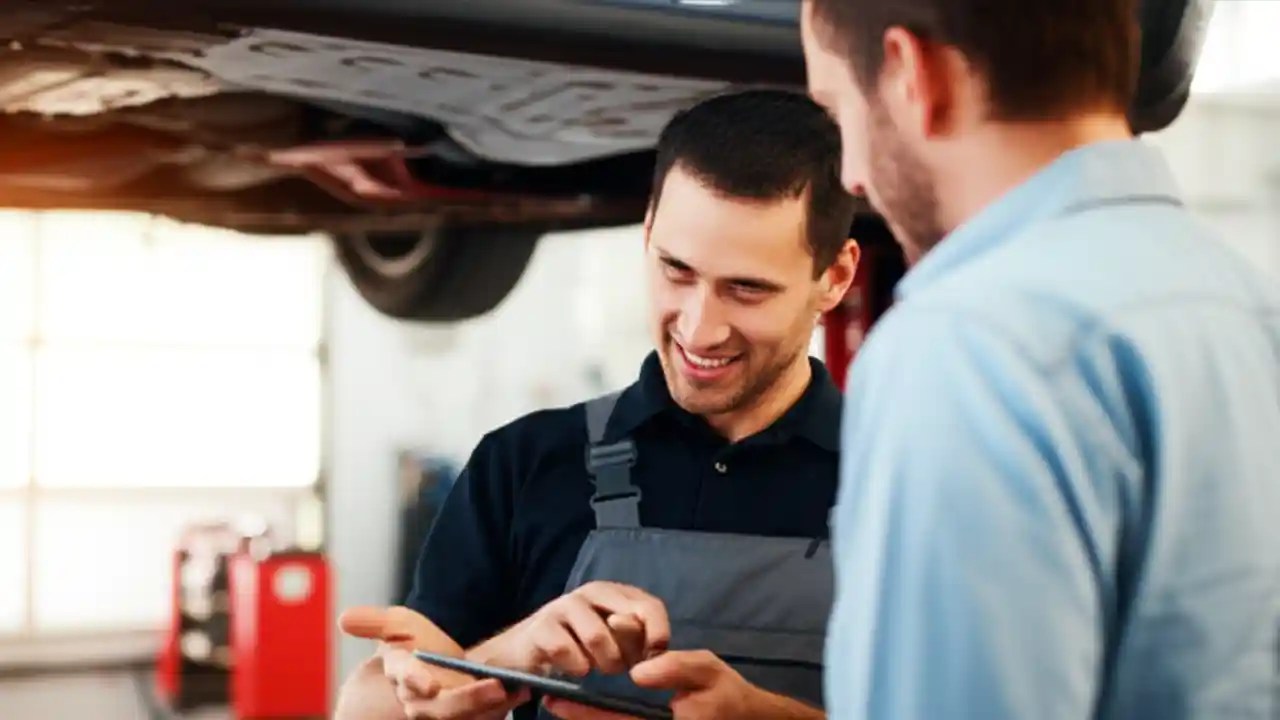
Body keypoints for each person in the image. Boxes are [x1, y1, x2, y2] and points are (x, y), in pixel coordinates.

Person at [800, 0, 1280, 718]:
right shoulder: (1244, 304)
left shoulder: (964, 346)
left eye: (840, 114)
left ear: (909, 73)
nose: (853, 175)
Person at [334, 88, 860, 720]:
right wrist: (515, 654)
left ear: (834, 277)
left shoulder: (903, 485)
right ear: (647, 235)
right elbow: (369, 709)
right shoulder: (526, 464)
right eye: (676, 271)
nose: (699, 328)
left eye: (746, 290)